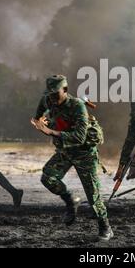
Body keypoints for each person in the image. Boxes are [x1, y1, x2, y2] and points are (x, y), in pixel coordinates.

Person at [31, 75, 113, 241]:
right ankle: (71, 200)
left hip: (84, 153)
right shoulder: (47, 100)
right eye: (49, 94)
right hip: (65, 151)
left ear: (65, 90)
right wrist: (39, 121)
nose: (52, 98)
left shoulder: (77, 106)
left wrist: (50, 131)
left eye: (55, 94)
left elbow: (80, 137)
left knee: (92, 194)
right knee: (48, 177)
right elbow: (37, 116)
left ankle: (105, 227)